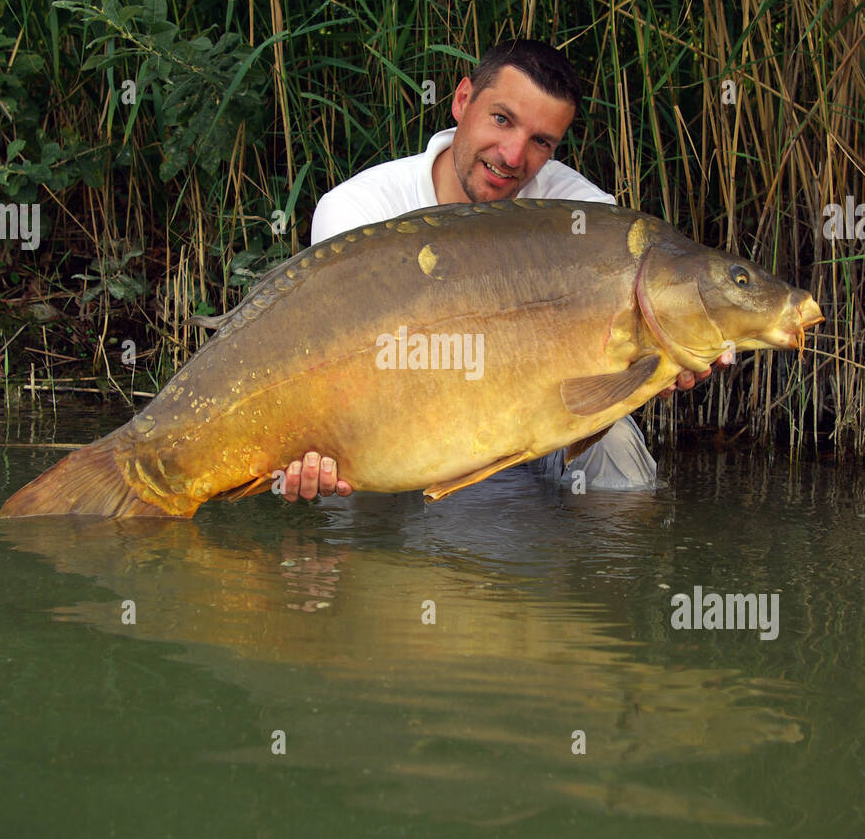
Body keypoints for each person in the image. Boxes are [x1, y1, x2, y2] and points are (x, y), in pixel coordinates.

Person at [280, 39, 724, 502]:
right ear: (462, 99)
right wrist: (305, 441)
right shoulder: (360, 210)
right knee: (351, 477)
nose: (513, 156)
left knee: (616, 453)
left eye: (540, 141)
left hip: (537, 418)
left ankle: (603, 571)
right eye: (502, 119)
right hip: (398, 424)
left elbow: (621, 349)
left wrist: (667, 355)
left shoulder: (585, 218)